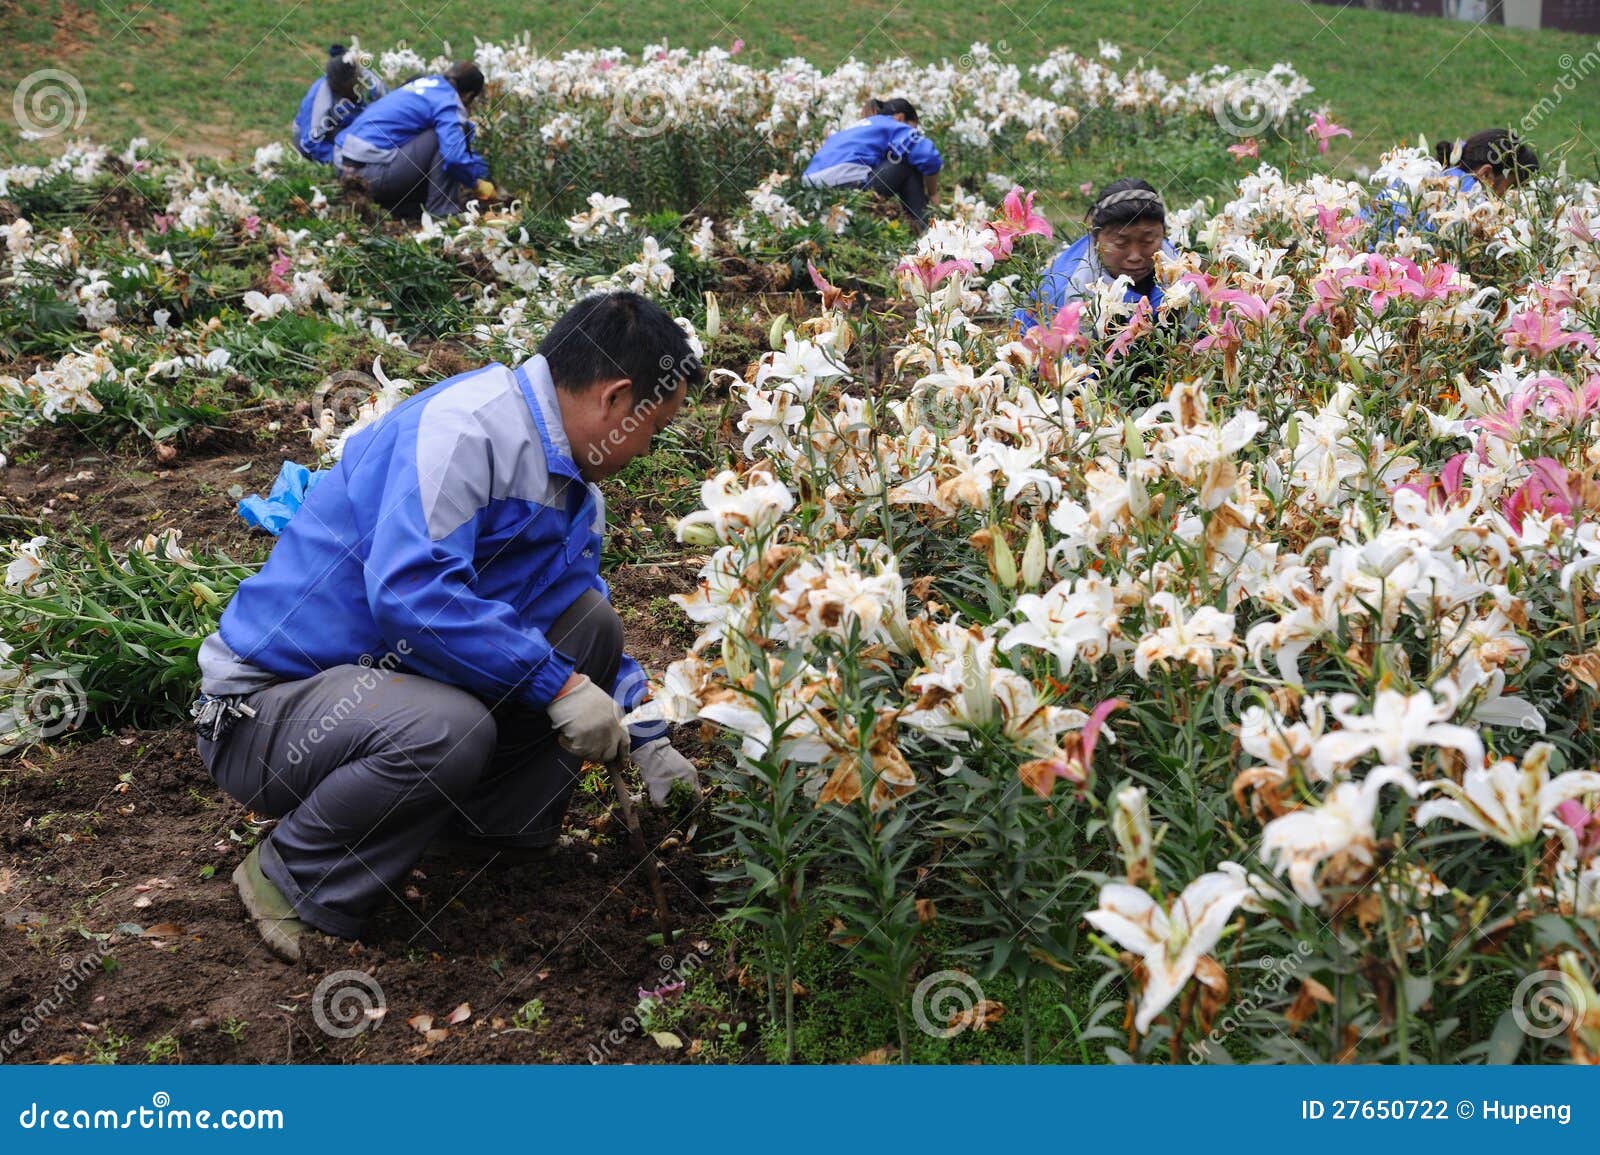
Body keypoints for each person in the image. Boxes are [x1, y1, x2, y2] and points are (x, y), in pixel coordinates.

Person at [192, 292, 703, 962]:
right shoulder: (465, 431)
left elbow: (568, 608)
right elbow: (411, 595)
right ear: (615, 398)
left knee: (591, 627)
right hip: (263, 710)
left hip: (379, 690)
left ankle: (488, 830)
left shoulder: (574, 489)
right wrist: (557, 686)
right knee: (452, 729)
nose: (649, 449)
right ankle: (293, 877)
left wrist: (643, 728)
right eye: (654, 428)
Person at [334, 61, 492, 219]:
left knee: (435, 137)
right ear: (469, 95)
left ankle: (406, 206)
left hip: (343, 167)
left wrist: (479, 171)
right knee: (443, 138)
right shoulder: (449, 101)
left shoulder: (424, 85)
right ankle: (442, 213)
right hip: (371, 176)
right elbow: (453, 158)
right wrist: (476, 182)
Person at [1014, 179, 1175, 331]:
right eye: (1121, 243)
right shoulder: (1068, 290)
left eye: (1147, 241)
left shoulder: (1178, 266)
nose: (1135, 256)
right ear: (1095, 237)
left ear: (1163, 233)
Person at [802, 98, 942, 228]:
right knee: (907, 162)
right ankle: (926, 229)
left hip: (810, 191)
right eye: (913, 128)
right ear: (900, 117)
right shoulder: (891, 124)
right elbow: (928, 156)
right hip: (845, 187)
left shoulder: (858, 126)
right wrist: (933, 193)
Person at [293, 44, 386, 167]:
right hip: (326, 138)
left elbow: (387, 108)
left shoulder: (369, 81)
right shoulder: (320, 94)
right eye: (347, 88)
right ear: (337, 86)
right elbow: (310, 142)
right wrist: (342, 160)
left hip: (357, 131)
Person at [1434, 128, 1539, 197]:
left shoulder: (1444, 177)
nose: (1514, 199)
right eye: (1512, 189)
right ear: (1486, 174)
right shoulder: (1468, 200)